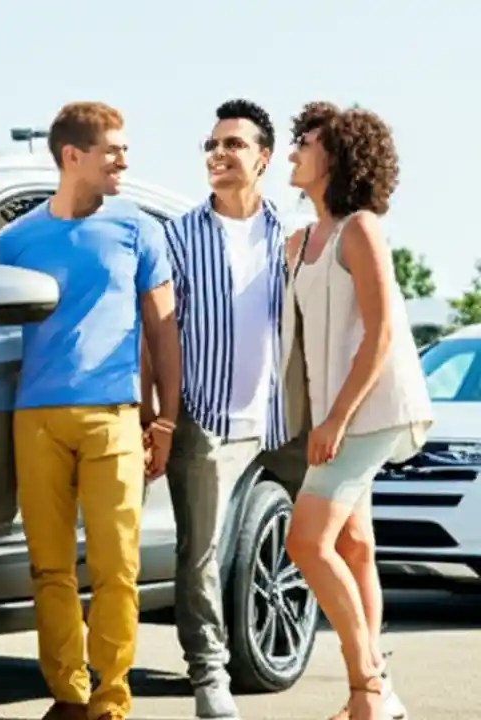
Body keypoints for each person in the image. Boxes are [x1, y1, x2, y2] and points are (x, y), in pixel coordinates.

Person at [0, 101, 181, 720]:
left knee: (116, 568)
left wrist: (165, 420)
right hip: (36, 419)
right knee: (49, 568)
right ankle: (68, 696)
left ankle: (110, 699)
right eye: (113, 150)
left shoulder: (137, 229)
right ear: (73, 156)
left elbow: (162, 329)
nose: (124, 161)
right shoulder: (17, 240)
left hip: (114, 417)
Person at [280, 101, 432, 720]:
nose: (292, 152)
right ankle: (372, 696)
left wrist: (335, 419)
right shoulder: (301, 240)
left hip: (370, 409)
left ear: (337, 157)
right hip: (339, 409)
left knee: (306, 543)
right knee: (354, 545)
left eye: (305, 142)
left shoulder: (360, 229)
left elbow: (381, 338)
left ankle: (369, 686)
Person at [156, 98, 297, 719]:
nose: (218, 154)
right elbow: (155, 332)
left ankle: (366, 668)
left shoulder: (291, 236)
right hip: (203, 419)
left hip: (278, 418)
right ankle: (209, 676)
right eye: (211, 146)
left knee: (325, 537)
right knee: (201, 555)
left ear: (263, 157)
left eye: (233, 145)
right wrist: (161, 415)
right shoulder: (179, 236)